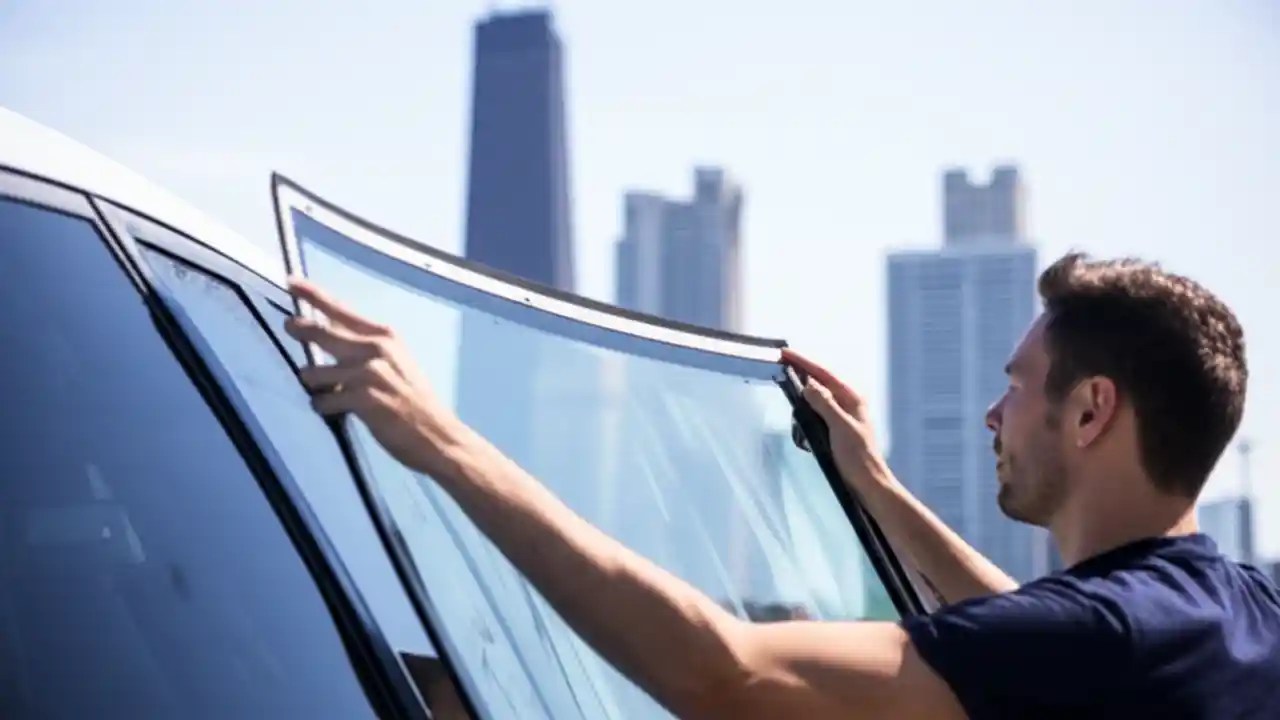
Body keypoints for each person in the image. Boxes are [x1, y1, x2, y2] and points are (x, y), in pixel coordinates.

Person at [285, 253, 1280, 718]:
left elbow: (724, 673)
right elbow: (1040, 641)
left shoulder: (1096, 638)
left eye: (1014, 386)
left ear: (1090, 409)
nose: (992, 414)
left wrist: (442, 440)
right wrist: (879, 490)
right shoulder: (1240, 614)